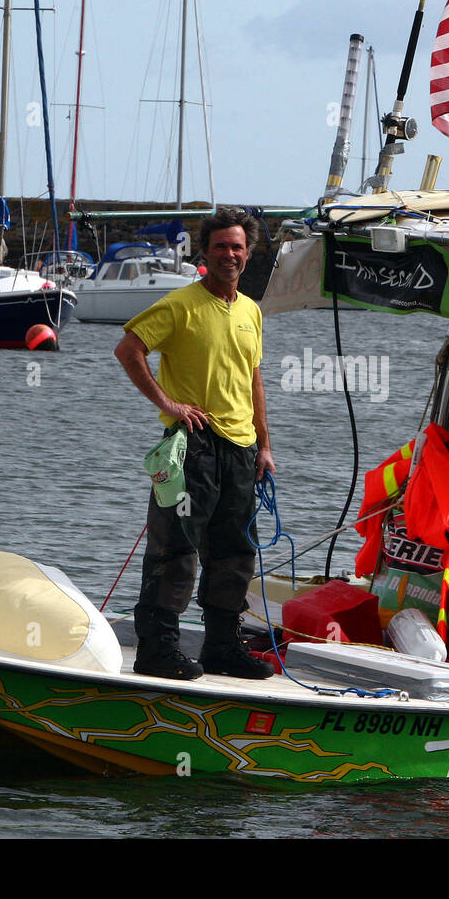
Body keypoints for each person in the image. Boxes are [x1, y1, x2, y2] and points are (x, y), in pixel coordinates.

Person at [115, 207, 275, 680]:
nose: (230, 254)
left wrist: (264, 446)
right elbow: (129, 348)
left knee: (234, 553)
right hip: (193, 448)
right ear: (205, 252)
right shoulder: (181, 303)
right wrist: (168, 402)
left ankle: (222, 646)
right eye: (221, 246)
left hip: (242, 452)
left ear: (248, 254)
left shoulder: (250, 310)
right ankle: (158, 649)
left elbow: (253, 379)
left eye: (238, 247)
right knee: (176, 549)